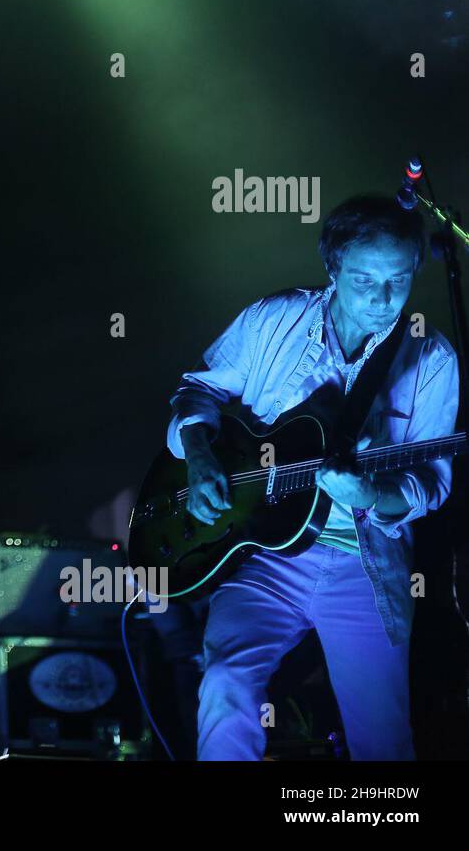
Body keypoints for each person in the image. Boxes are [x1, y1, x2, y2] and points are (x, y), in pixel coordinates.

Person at [166, 195, 460, 760]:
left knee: (383, 742)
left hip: (364, 564)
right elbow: (199, 387)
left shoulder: (433, 359)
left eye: (397, 281)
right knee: (225, 684)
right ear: (332, 268)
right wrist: (200, 452)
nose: (381, 299)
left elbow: (434, 482)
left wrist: (370, 493)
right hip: (263, 556)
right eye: (363, 279)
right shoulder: (274, 318)